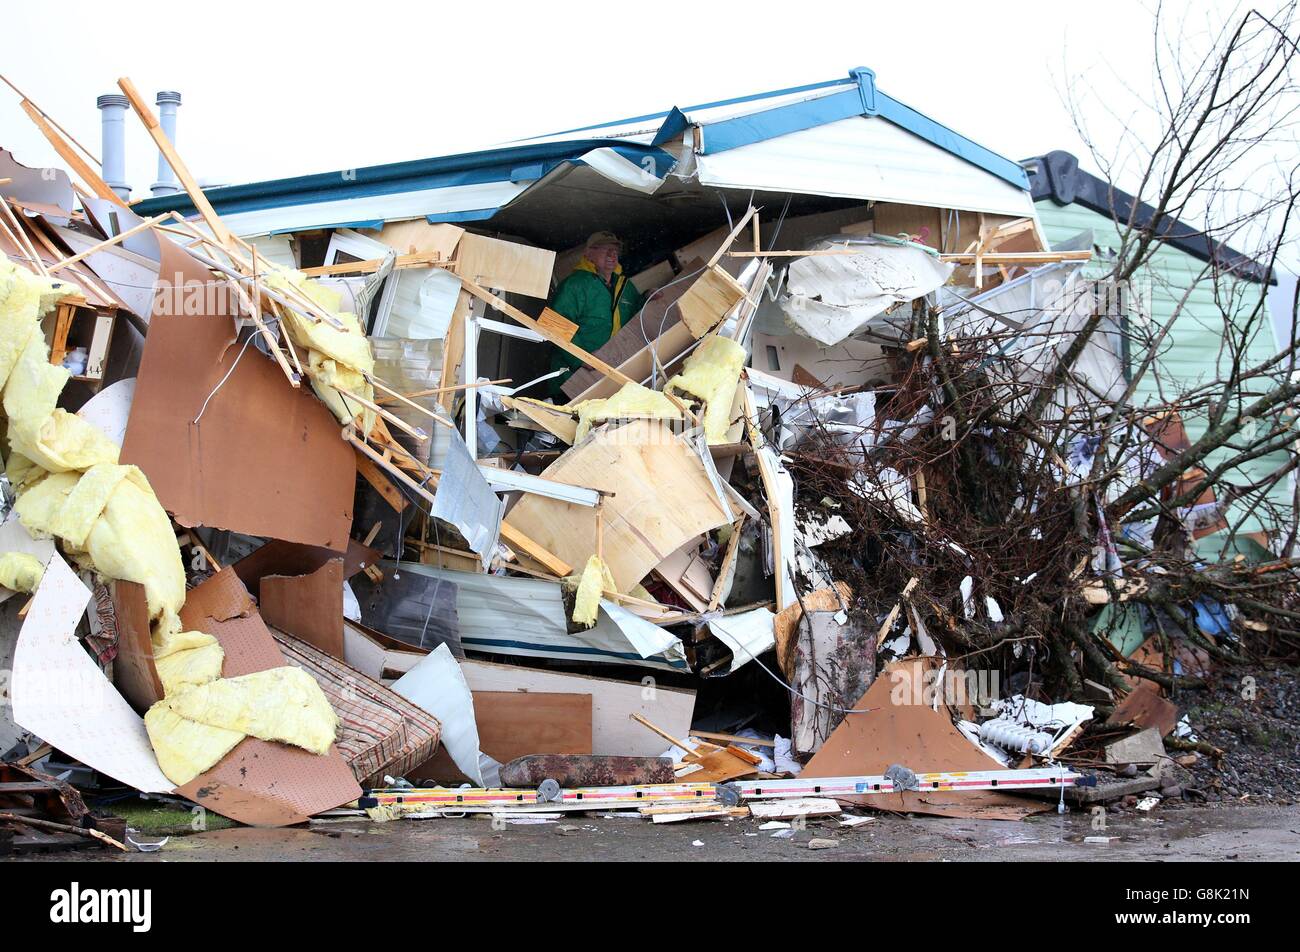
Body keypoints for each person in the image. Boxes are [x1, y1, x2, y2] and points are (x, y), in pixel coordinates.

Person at [547, 231, 644, 396]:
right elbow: (554, 323)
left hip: (613, 374)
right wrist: (581, 357)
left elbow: (635, 318)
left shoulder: (625, 286)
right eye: (605, 249)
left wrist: (648, 297)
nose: (612, 254)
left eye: (615, 250)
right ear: (588, 254)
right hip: (572, 377)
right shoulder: (575, 284)